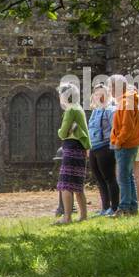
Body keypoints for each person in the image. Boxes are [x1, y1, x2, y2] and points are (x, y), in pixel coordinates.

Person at [54, 82, 90, 224]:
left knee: (66, 184)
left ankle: (67, 217)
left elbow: (63, 133)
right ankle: (83, 216)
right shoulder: (79, 108)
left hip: (71, 147)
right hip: (81, 147)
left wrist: (62, 131)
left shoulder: (70, 110)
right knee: (78, 184)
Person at [108, 74, 139, 217]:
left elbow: (126, 127)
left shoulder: (126, 101)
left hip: (125, 145)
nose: (109, 90)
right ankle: (132, 207)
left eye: (110, 87)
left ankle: (124, 208)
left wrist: (118, 142)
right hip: (129, 143)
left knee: (123, 178)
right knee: (128, 177)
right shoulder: (126, 100)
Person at [87, 82, 118, 216]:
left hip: (106, 148)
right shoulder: (95, 111)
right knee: (99, 179)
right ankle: (105, 207)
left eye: (101, 93)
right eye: (96, 93)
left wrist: (113, 147)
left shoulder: (111, 110)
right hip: (94, 148)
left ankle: (114, 207)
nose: (98, 96)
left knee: (109, 178)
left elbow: (114, 129)